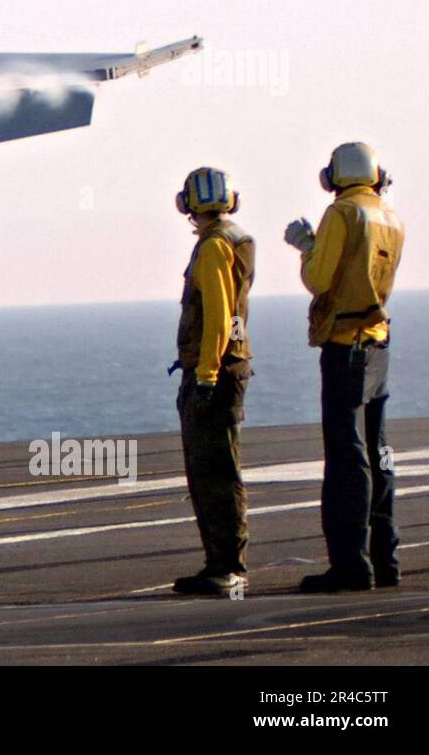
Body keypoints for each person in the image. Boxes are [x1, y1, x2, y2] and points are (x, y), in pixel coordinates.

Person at [284, 142, 405, 592]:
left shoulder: (342, 213)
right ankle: (385, 559)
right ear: (377, 174)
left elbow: (319, 279)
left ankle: (351, 565)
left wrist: (306, 246)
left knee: (346, 457)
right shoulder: (389, 216)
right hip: (378, 343)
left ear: (332, 177)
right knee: (379, 452)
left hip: (345, 347)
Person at [170, 167, 254, 596]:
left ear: (188, 204)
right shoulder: (228, 239)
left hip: (215, 374)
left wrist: (205, 377)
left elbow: (218, 317)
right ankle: (219, 563)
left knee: (216, 471)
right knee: (210, 471)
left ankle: (228, 567)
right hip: (224, 368)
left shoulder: (214, 246)